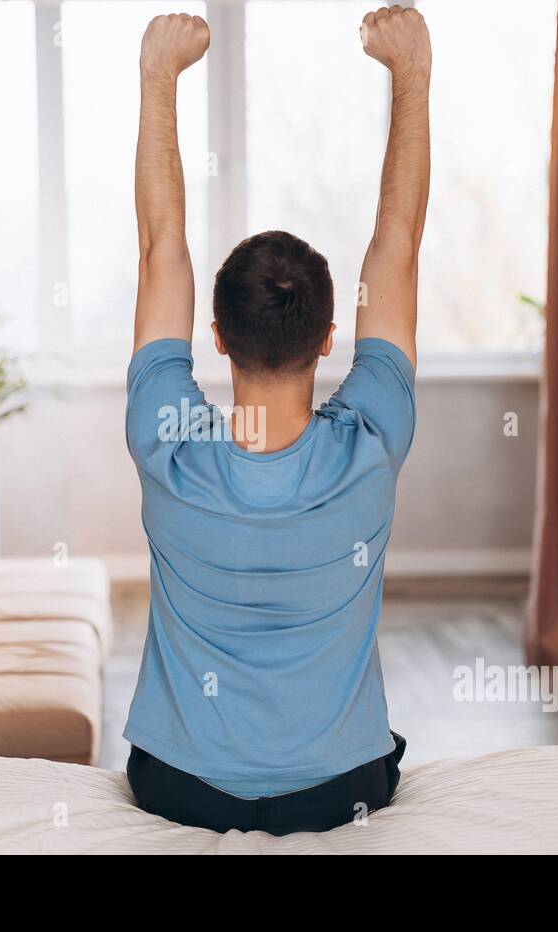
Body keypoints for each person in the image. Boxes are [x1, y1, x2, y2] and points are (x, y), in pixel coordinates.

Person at [124, 5, 431, 836]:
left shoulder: (167, 444)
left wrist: (158, 79)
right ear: (331, 338)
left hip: (181, 785)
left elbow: (161, 249)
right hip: (343, 788)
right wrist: (412, 76)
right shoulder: (372, 441)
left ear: (215, 337)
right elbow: (396, 246)